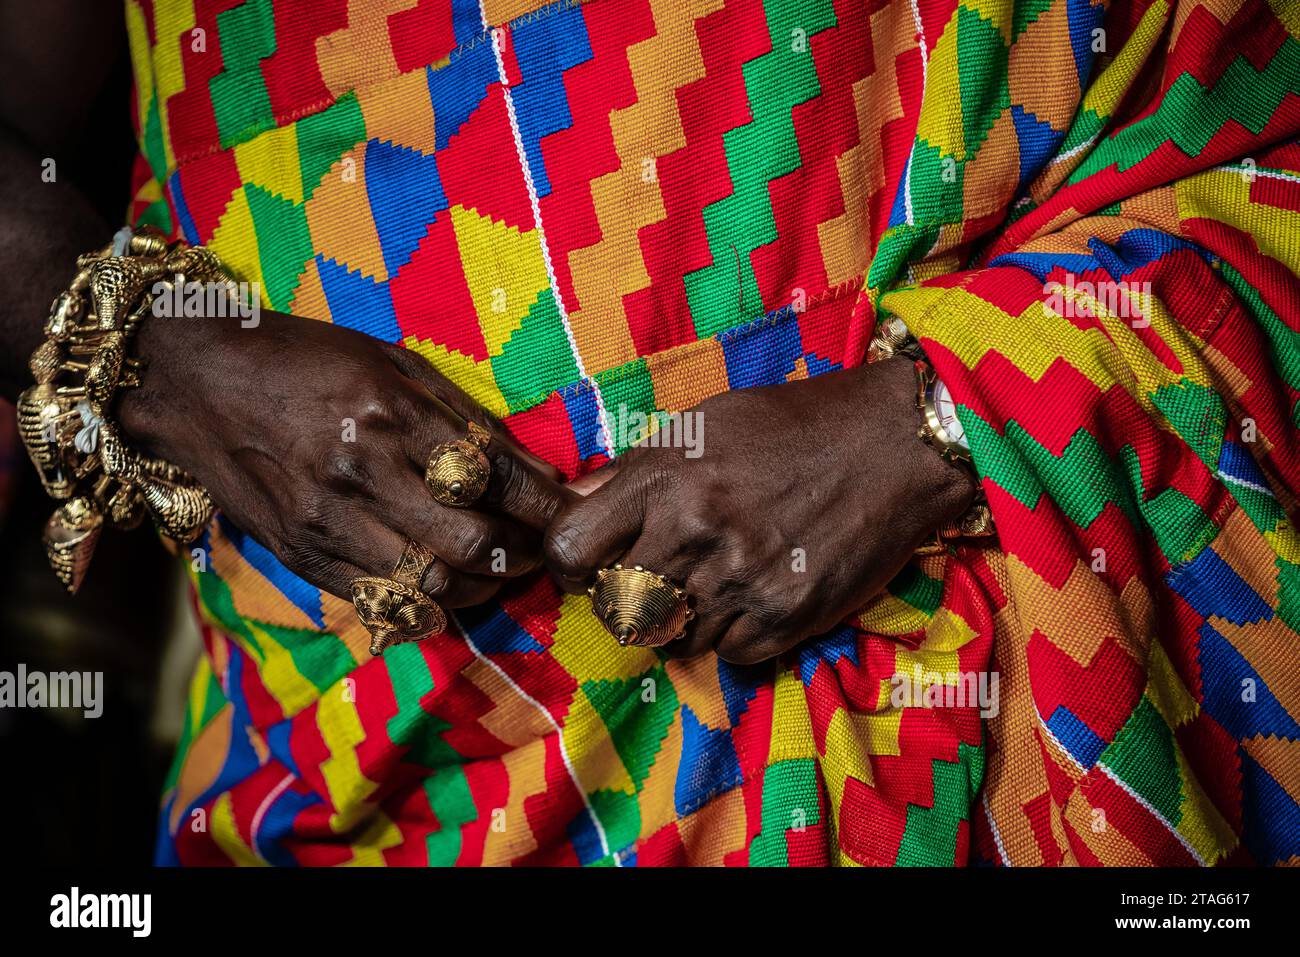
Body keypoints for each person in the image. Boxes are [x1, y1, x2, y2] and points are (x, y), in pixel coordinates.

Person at [2, 0, 1297, 866]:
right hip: (398, 762)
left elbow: (1259, 131)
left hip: (1009, 728)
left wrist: (942, 413)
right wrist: (166, 353)